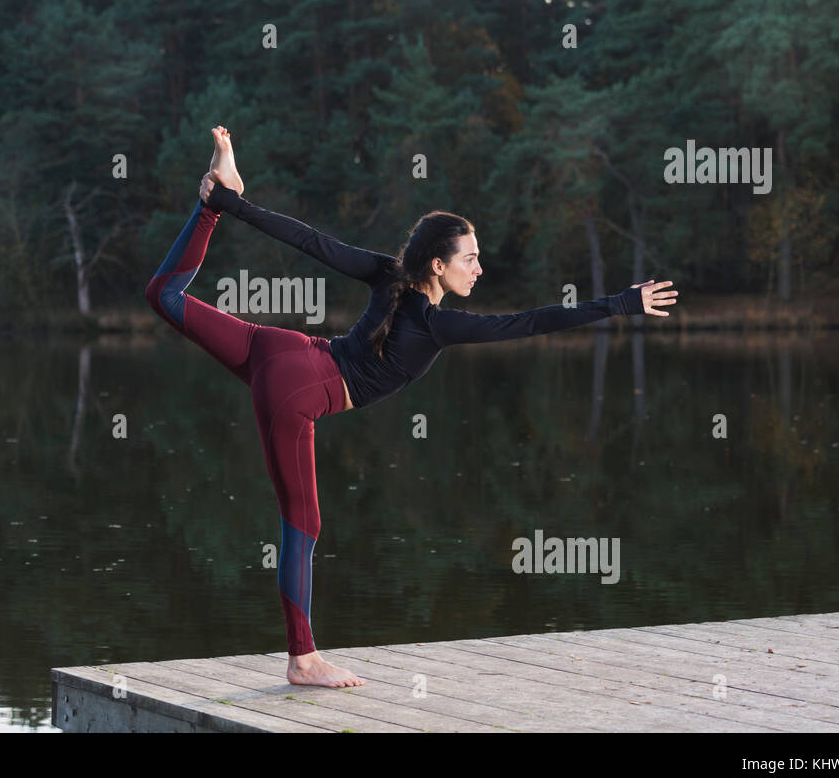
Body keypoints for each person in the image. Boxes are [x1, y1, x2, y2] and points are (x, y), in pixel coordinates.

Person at [145, 127, 678, 687]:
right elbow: (533, 321)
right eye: (469, 259)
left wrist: (231, 205)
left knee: (165, 296)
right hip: (296, 391)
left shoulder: (389, 273)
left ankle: (209, 204)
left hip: (278, 349)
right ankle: (302, 660)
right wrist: (621, 303)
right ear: (438, 266)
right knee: (302, 524)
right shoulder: (436, 323)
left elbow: (310, 240)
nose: (478, 268)